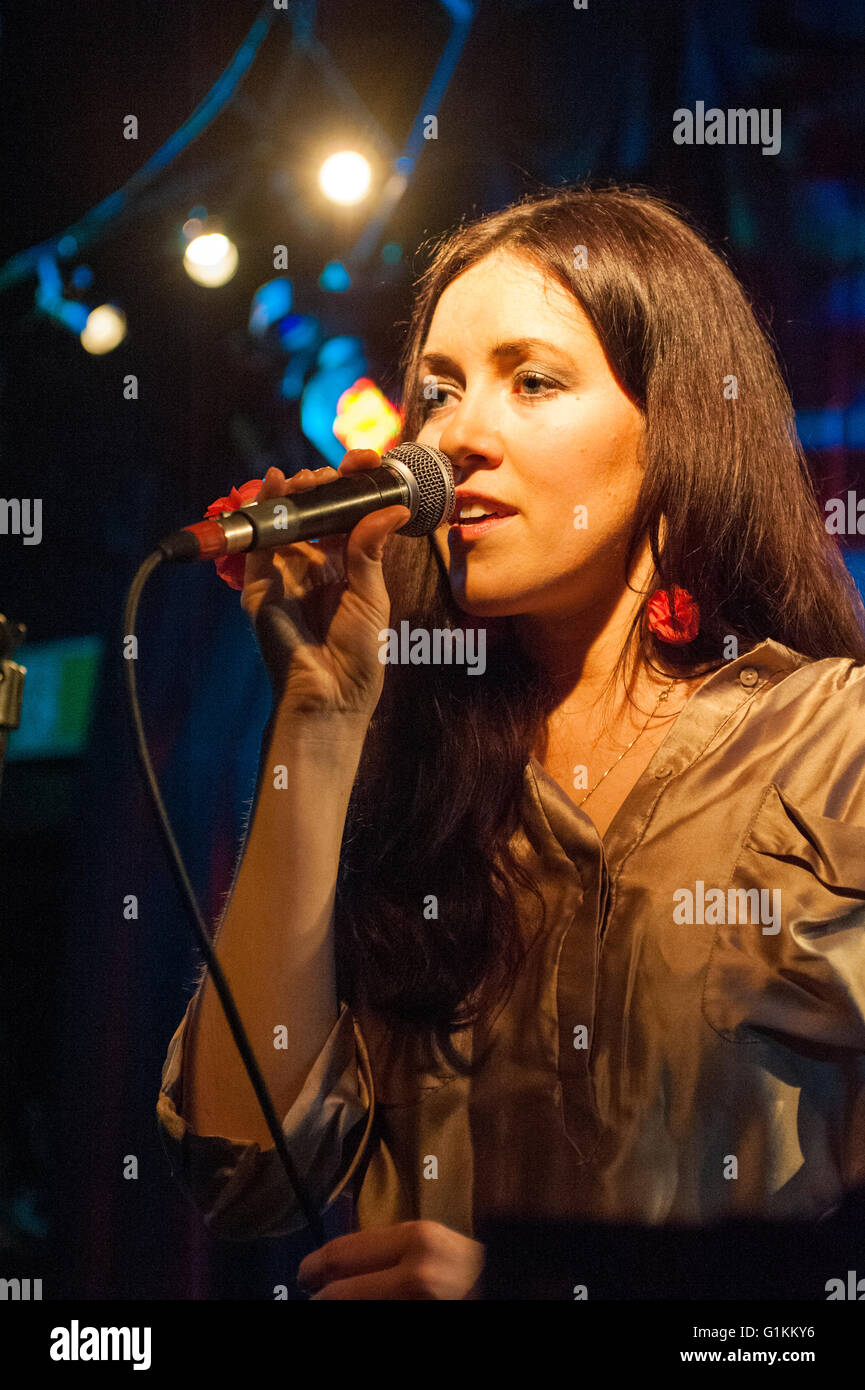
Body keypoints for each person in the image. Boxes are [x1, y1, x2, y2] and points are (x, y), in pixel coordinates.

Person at [156, 184, 865, 1300]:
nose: (456, 437)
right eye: (437, 393)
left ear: (674, 423)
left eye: (531, 381)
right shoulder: (416, 773)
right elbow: (242, 1170)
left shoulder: (833, 742)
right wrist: (320, 720)